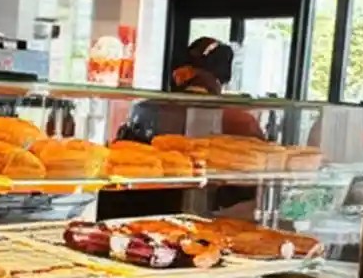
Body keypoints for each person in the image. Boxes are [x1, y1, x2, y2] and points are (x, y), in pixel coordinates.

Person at [99, 37, 262, 219]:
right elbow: (259, 172)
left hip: (137, 208)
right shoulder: (239, 119)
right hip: (204, 215)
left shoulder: (147, 107)